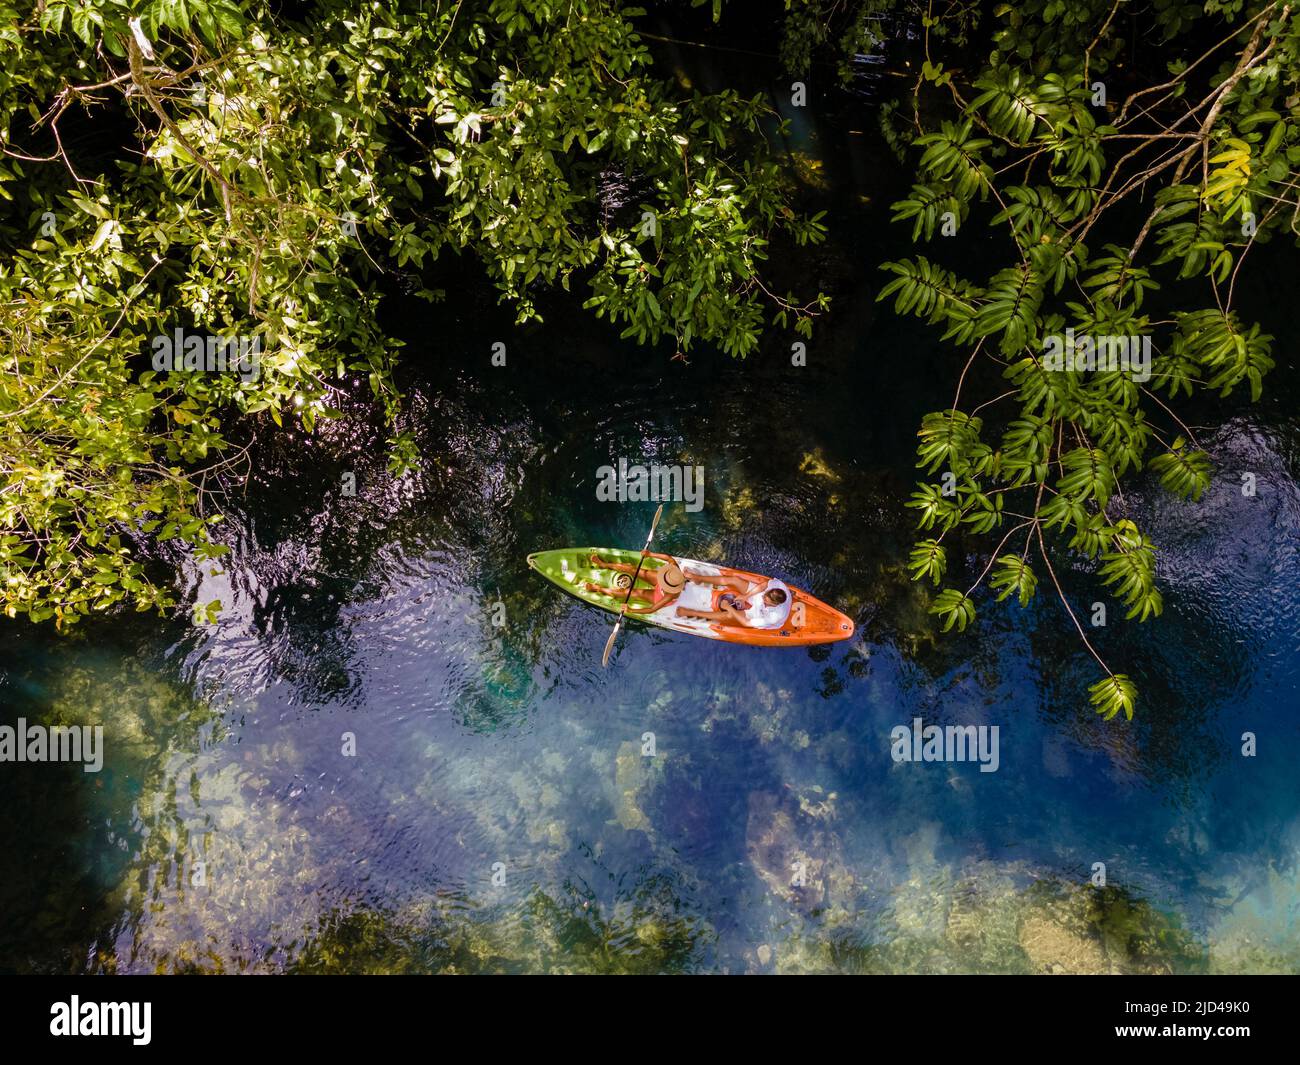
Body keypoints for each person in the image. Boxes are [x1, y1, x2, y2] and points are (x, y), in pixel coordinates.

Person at [675, 568, 792, 630]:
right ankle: (698, 578)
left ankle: (690, 612)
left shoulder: (774, 617)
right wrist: (746, 596)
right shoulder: (780, 587)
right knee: (734, 580)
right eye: (764, 595)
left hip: (760, 614)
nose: (763, 596)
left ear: (773, 604)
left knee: (730, 615)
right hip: (755, 599)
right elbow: (763, 586)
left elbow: (746, 623)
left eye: (765, 599)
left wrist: (727, 608)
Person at [583, 551, 685, 614]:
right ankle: (604, 564)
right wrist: (650, 554)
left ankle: (597, 588)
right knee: (631, 568)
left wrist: (631, 610)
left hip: (660, 595)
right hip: (662, 580)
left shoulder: (670, 595)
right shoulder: (673, 569)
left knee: (629, 592)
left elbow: (652, 609)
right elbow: (669, 558)